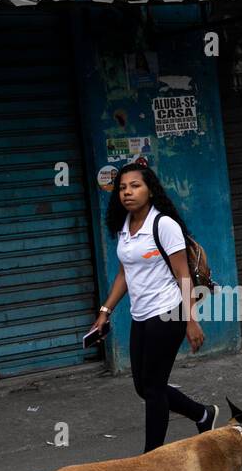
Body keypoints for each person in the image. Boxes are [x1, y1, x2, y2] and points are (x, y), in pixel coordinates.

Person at [90, 162, 219, 453]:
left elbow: (183, 275)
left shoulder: (164, 225)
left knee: (154, 388)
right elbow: (125, 274)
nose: (127, 192)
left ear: (150, 189)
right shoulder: (124, 227)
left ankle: (151, 457)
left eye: (135, 185)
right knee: (143, 387)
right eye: (122, 187)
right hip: (141, 315)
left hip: (168, 312)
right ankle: (203, 414)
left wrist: (191, 320)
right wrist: (104, 312)